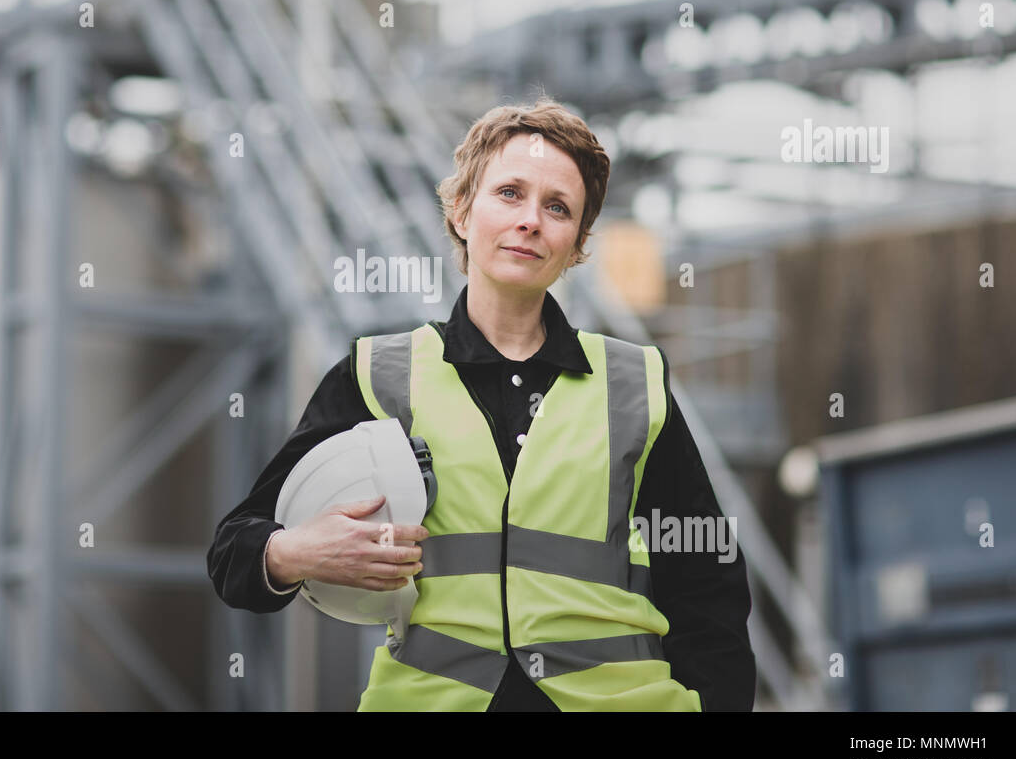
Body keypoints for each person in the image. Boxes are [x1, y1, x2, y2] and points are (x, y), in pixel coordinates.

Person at [207, 97, 755, 711]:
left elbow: (708, 586)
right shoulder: (379, 375)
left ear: (576, 245)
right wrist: (295, 552)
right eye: (509, 194)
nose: (530, 221)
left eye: (557, 208)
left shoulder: (634, 384)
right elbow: (233, 552)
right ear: (462, 212)